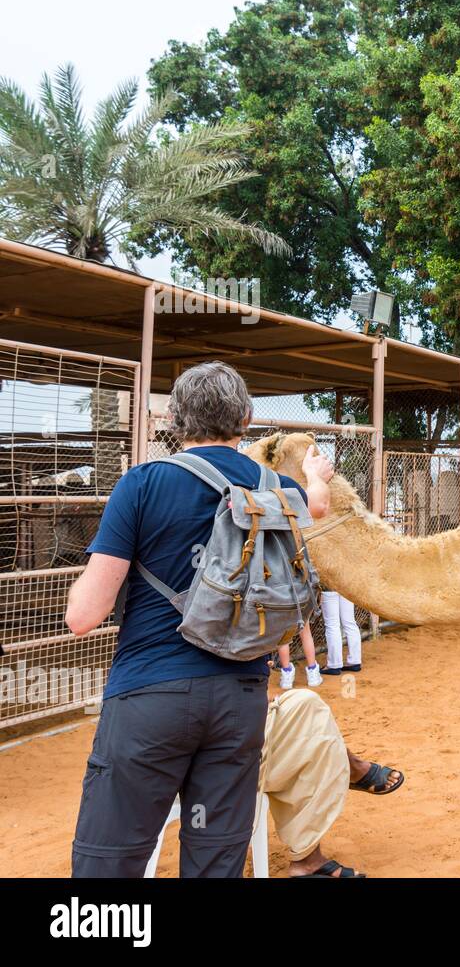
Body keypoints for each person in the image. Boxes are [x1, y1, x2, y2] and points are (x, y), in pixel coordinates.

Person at [64, 360, 335, 877]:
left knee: (109, 861)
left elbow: (84, 616)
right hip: (239, 702)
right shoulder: (278, 490)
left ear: (174, 418)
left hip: (150, 697)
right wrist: (315, 477)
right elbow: (317, 506)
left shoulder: (141, 484)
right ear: (247, 418)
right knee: (216, 860)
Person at [259, 686, 403, 878]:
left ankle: (353, 766)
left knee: (305, 705)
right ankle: (353, 767)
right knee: (309, 722)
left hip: (232, 730)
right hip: (225, 761)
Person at [319, 590, 363, 675]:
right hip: (345, 585)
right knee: (350, 623)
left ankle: (334, 665)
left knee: (332, 625)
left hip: (329, 587)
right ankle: (354, 661)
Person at [278, 621, 324, 689]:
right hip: (300, 610)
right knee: (306, 633)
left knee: (284, 636)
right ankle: (313, 675)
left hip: (281, 611)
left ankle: (286, 677)